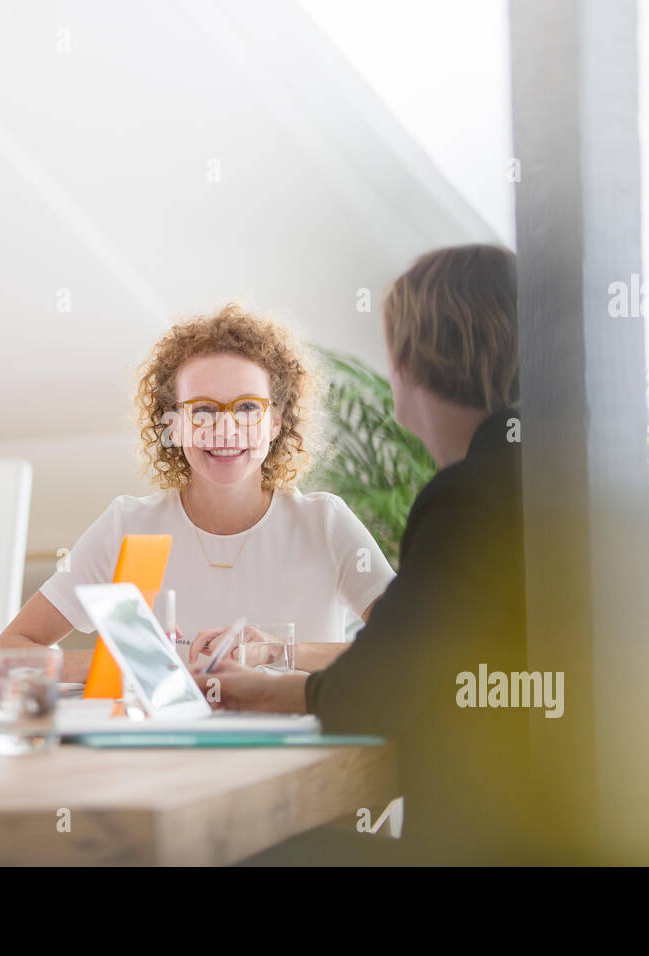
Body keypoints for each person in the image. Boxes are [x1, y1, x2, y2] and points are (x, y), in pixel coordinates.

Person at [201, 246, 544, 864]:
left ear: (410, 362)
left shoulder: (470, 500)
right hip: (540, 827)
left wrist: (258, 688)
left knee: (229, 850)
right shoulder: (541, 476)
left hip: (480, 846)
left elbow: (376, 692)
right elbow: (401, 663)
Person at [0, 304, 395, 682]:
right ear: (174, 424)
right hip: (166, 748)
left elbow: (411, 647)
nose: (225, 430)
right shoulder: (128, 525)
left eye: (246, 408)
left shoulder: (323, 522)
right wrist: (125, 661)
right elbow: (13, 647)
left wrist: (280, 652)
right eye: (203, 410)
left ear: (275, 421)